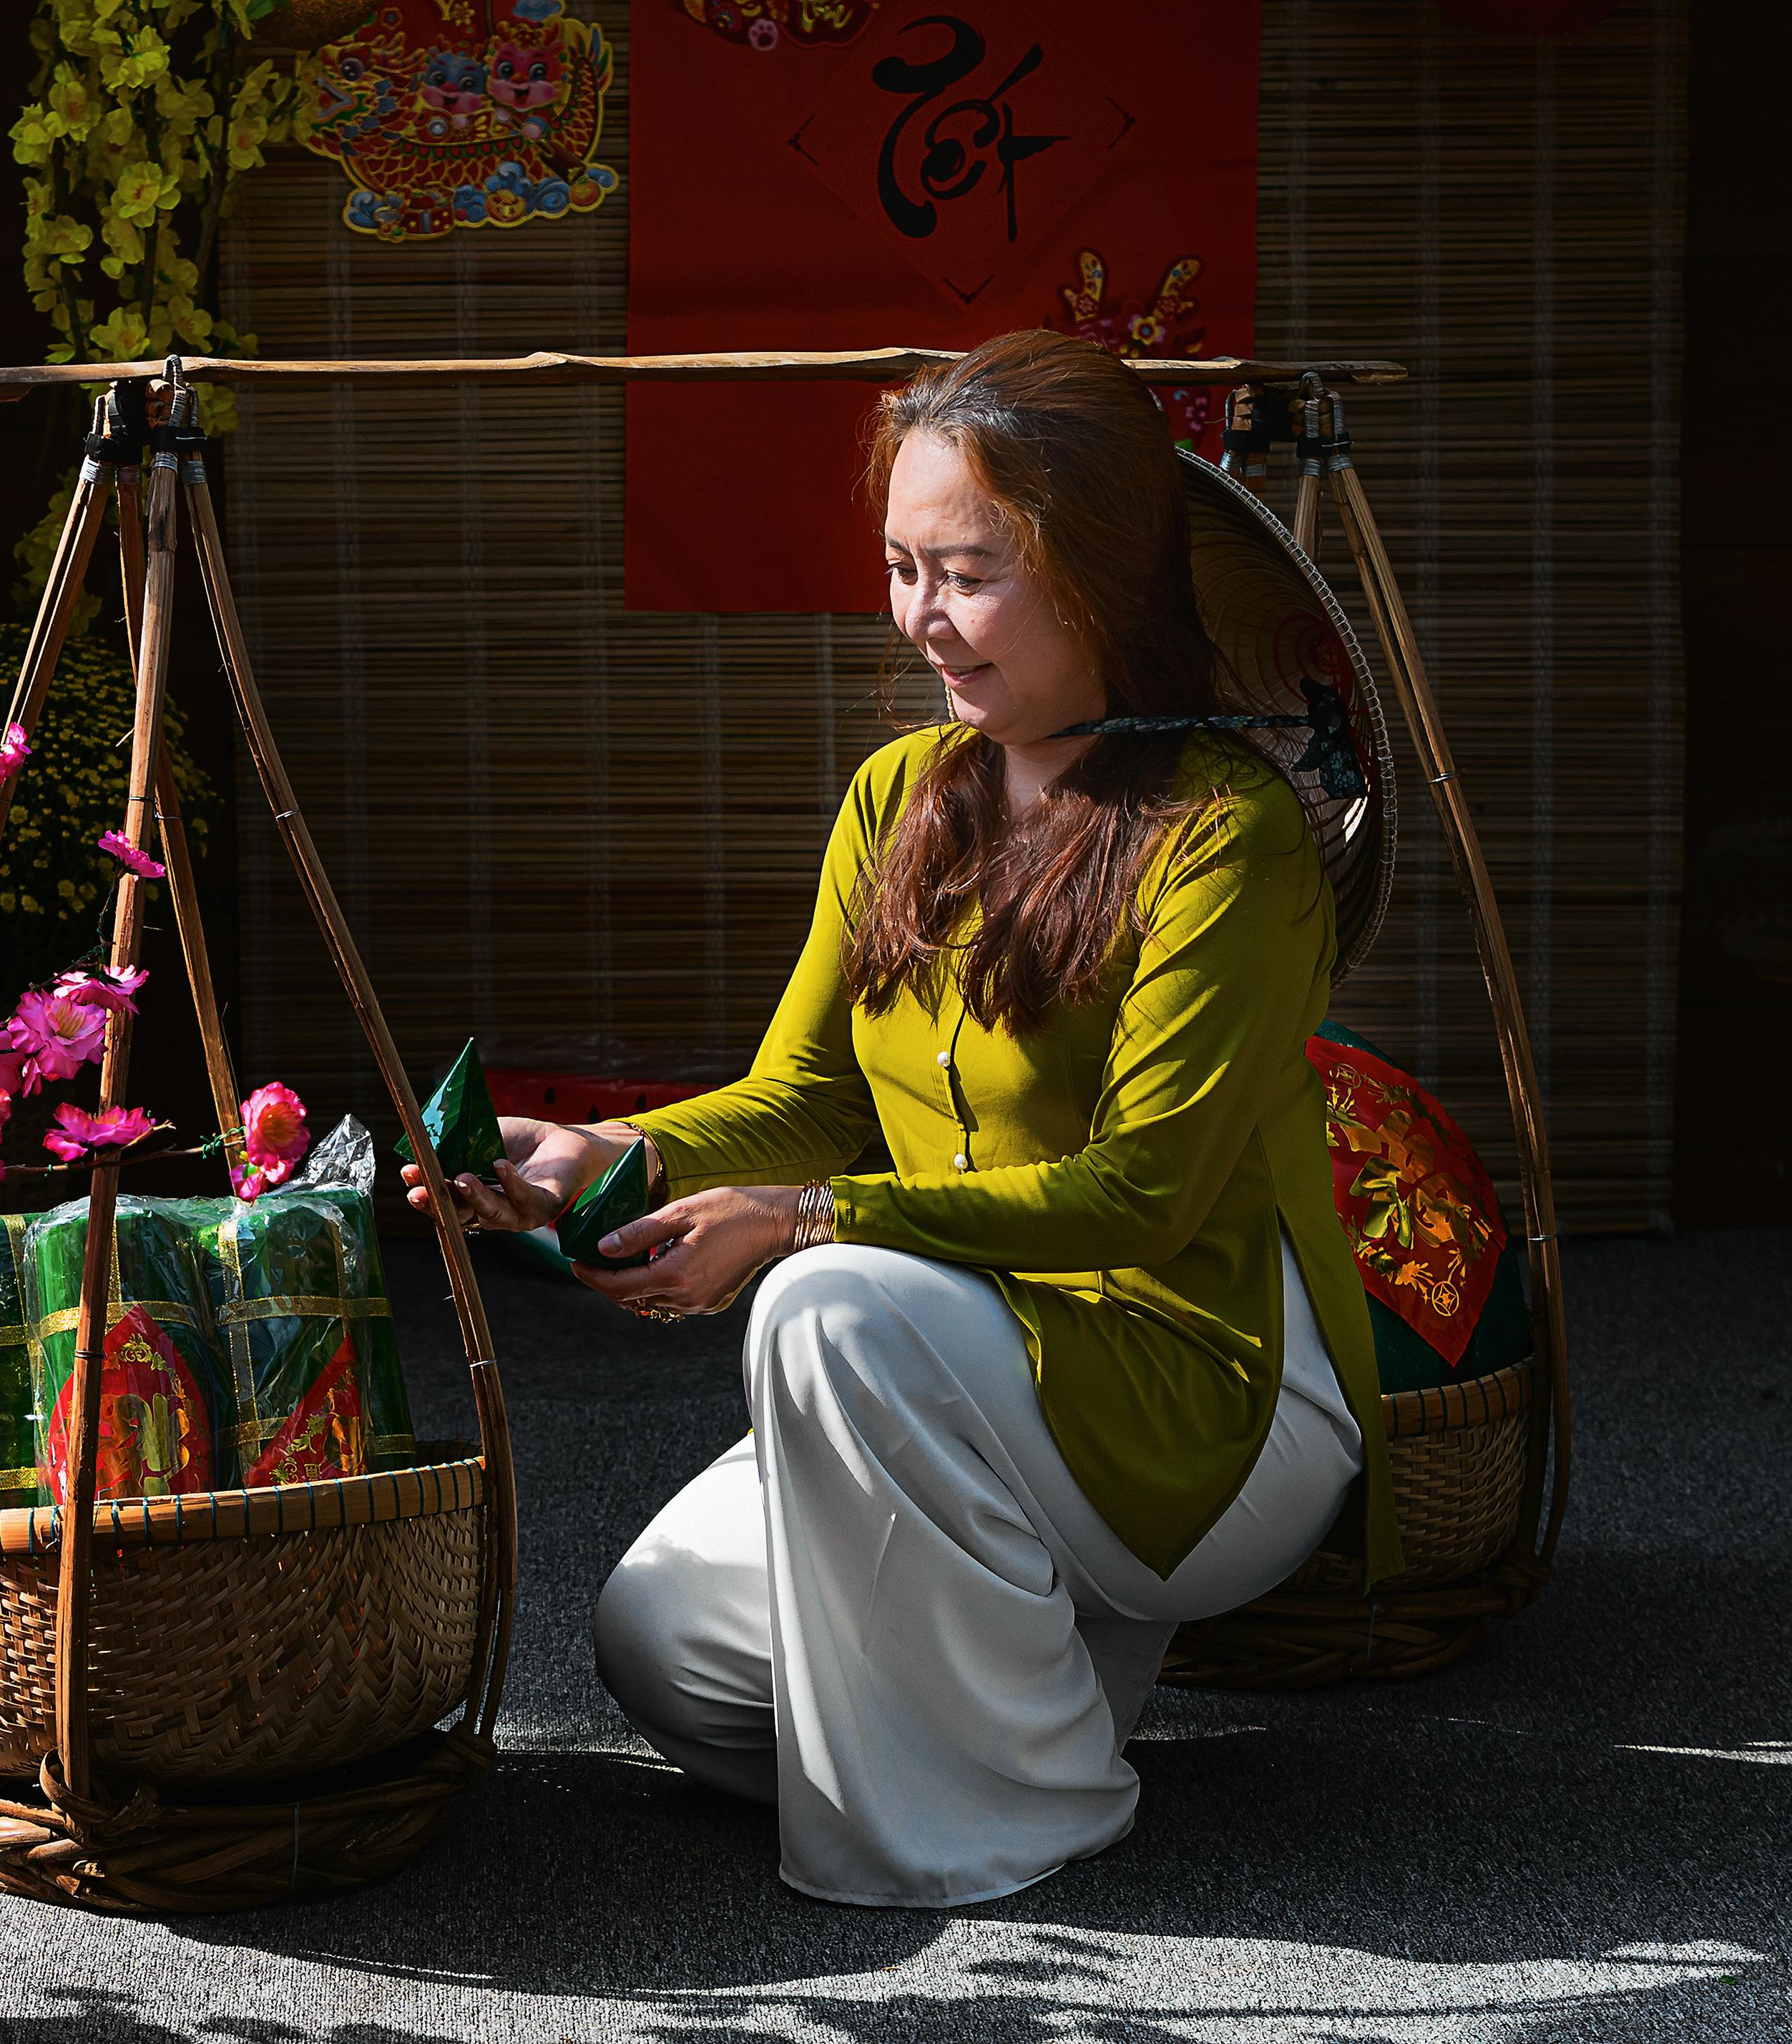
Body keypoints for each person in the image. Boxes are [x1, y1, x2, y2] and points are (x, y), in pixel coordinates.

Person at [405, 328, 1401, 1908]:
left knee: (823, 1302)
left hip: (1204, 1399)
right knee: (661, 1649)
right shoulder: (900, 796)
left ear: (1101, 572)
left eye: (968, 572)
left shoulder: (1227, 832)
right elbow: (804, 1095)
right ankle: (1031, 1677)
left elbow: (1139, 1194)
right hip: (979, 1383)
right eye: (899, 567)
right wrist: (604, 1156)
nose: (922, 617)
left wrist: (803, 1220)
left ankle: (1000, 1814)